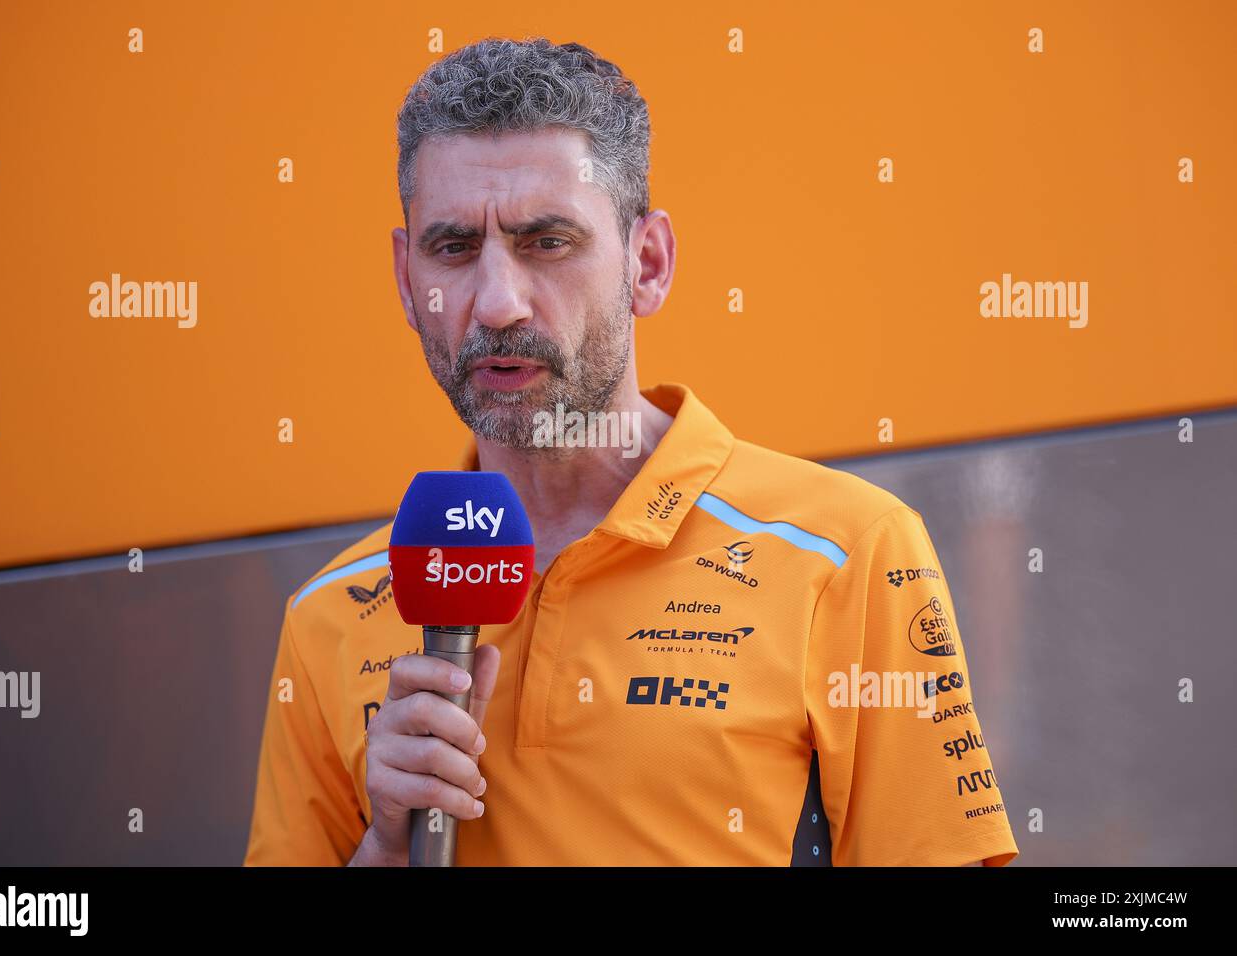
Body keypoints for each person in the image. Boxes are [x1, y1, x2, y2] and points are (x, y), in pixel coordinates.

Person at [244, 36, 1018, 867]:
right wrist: (387, 850)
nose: (498, 302)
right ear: (407, 282)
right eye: (455, 249)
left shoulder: (847, 554)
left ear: (646, 264)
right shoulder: (329, 613)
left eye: (548, 242)